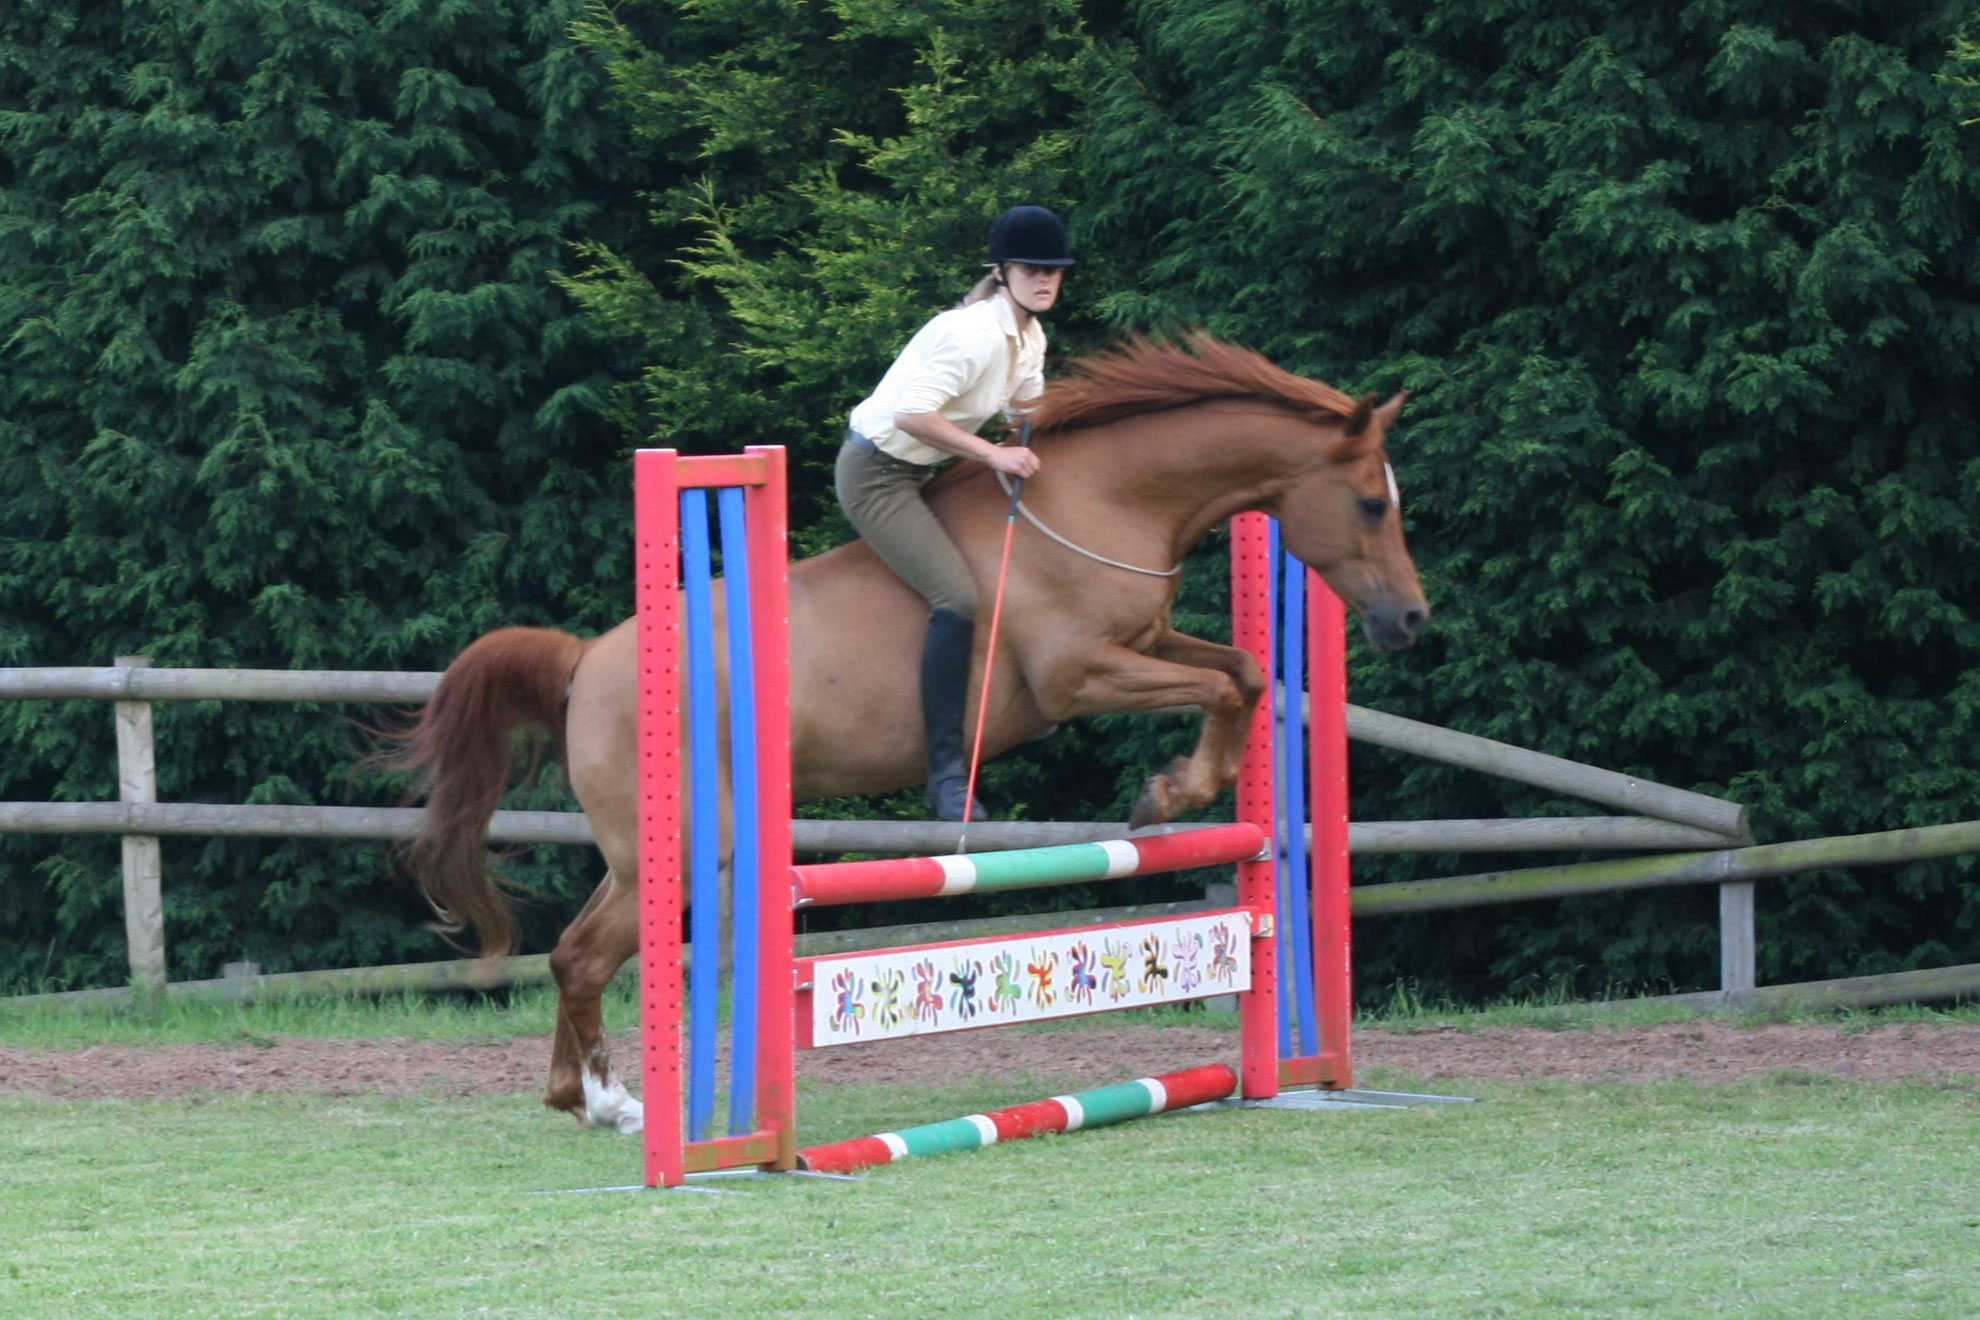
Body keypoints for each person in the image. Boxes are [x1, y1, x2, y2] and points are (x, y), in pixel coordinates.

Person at [836, 204, 1073, 820]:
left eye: (1054, 271)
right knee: (959, 599)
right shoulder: (968, 332)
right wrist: (992, 453)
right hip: (877, 476)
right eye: (1032, 269)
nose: (1045, 280)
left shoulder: (1031, 337)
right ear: (1001, 271)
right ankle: (944, 775)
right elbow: (911, 415)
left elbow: (1027, 416)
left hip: (927, 467)